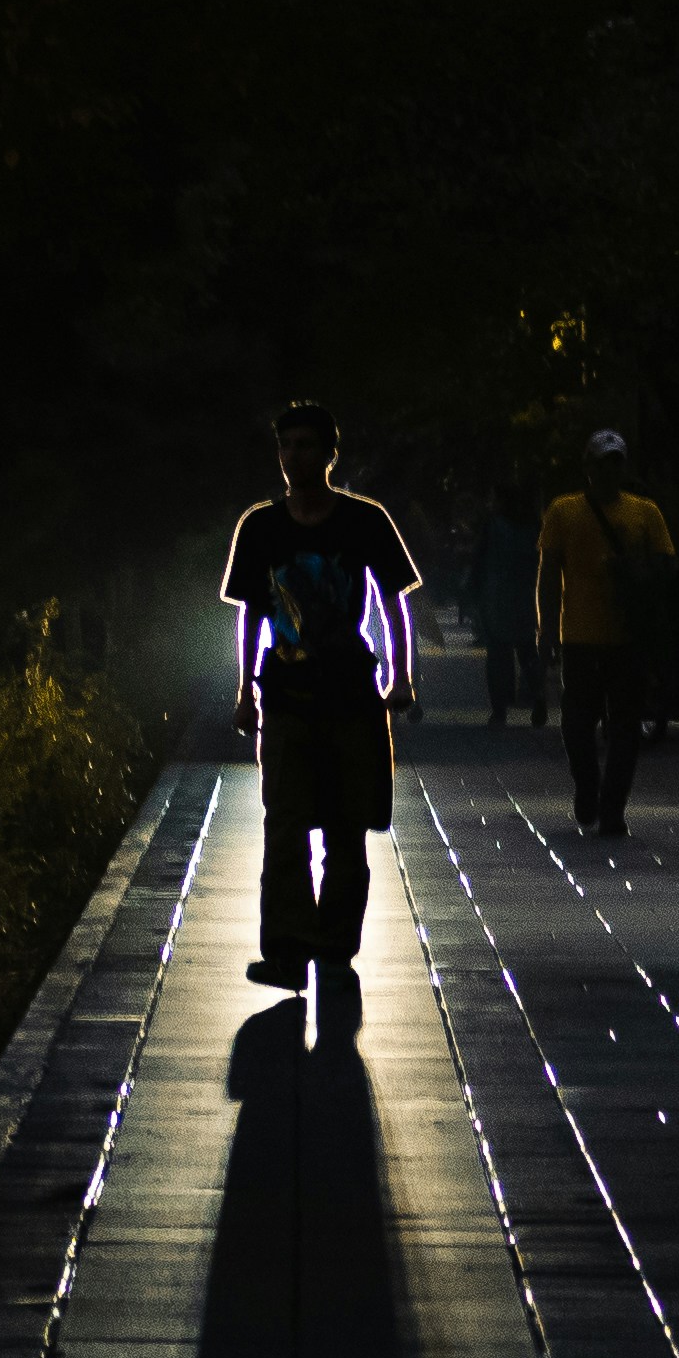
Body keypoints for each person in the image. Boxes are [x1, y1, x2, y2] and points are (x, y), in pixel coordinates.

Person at [220, 403, 421, 992]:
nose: (293, 458)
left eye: (306, 446)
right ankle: (285, 948)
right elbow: (253, 614)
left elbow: (394, 602)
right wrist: (244, 691)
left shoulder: (364, 521)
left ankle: (334, 941)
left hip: (350, 695)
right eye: (286, 447)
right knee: (284, 825)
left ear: (330, 453)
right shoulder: (260, 527)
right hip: (283, 695)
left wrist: (402, 676)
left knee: (345, 825)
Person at [536, 430, 674, 838]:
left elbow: (666, 569)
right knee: (578, 720)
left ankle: (612, 807)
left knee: (625, 724)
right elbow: (548, 574)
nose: (609, 470)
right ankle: (587, 784)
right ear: (588, 467)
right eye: (602, 462)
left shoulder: (645, 513)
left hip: (628, 636)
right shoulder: (564, 511)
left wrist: (633, 571)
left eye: (616, 462)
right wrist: (545, 628)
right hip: (578, 633)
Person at [462, 476, 547, 729]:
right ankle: (538, 696)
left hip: (496, 597)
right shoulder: (534, 524)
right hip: (526, 597)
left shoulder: (493, 525)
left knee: (498, 654)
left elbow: (479, 560)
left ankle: (499, 712)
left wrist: (471, 592)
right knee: (527, 651)